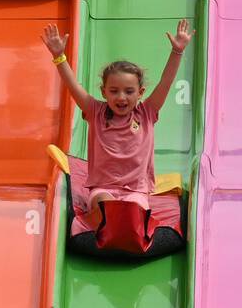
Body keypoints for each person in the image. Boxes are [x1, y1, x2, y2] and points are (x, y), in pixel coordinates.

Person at [40, 19, 194, 229]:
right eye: (114, 91)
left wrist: (177, 52)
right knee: (107, 208)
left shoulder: (146, 113)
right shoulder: (95, 111)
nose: (121, 97)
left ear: (140, 93)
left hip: (135, 192)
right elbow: (73, 85)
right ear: (104, 92)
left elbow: (165, 83)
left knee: (133, 214)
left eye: (129, 91)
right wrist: (59, 57)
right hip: (103, 189)